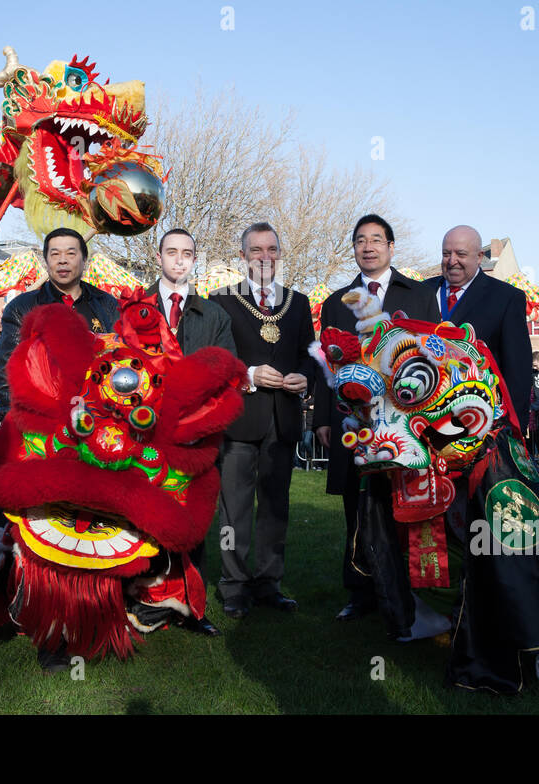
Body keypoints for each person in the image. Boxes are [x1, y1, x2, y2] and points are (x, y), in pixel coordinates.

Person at [314, 214, 439, 622]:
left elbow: (434, 357)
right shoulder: (337, 302)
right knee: (358, 506)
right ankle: (361, 591)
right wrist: (322, 418)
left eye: (376, 240)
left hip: (408, 419)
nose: (368, 247)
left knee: (409, 501)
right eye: (360, 241)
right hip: (355, 422)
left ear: (390, 247)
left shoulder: (420, 295)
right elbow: (325, 364)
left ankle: (414, 588)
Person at [208, 222, 314, 619]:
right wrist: (249, 375)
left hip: (283, 419)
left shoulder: (298, 303)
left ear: (280, 254)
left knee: (275, 507)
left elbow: (311, 355)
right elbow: (215, 360)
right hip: (239, 419)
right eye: (256, 250)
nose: (265, 256)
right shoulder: (221, 301)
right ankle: (233, 585)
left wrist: (306, 377)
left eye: (271, 249)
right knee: (233, 510)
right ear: (242, 256)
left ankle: (270, 583)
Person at [145, 227, 236, 636]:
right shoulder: (134, 306)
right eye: (172, 252)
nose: (179, 260)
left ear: (194, 260)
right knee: (145, 515)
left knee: (193, 521)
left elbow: (225, 372)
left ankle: (191, 607)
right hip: (144, 434)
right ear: (158, 257)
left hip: (195, 437)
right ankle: (141, 601)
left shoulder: (214, 316)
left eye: (186, 253)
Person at [0, 228, 119, 421]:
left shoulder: (107, 304)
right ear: (46, 261)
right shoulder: (22, 307)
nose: (62, 260)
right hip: (43, 420)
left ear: (84, 260)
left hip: (99, 417)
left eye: (71, 253)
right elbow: (6, 368)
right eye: (55, 254)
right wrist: (14, 419)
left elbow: (121, 357)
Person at [425, 225, 533, 430]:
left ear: (479, 257)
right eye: (446, 254)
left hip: (479, 423)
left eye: (461, 254)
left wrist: (512, 427)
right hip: (421, 419)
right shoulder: (422, 291)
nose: (452, 261)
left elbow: (517, 370)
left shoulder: (506, 298)